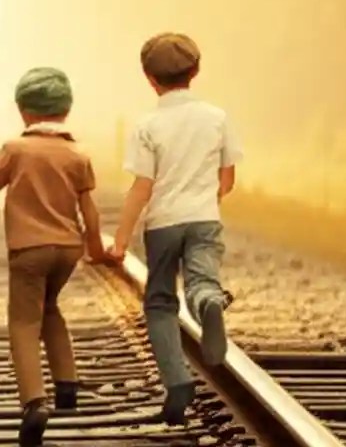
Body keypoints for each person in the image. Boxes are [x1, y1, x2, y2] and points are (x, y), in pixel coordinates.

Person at [0, 67, 109, 447]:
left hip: (29, 249)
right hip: (67, 249)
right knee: (51, 307)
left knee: (24, 321)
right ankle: (67, 383)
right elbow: (88, 208)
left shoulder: (16, 149)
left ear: (24, 111)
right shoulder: (77, 154)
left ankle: (34, 402)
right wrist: (94, 246)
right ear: (66, 111)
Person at [107, 32, 243, 426]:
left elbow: (141, 188)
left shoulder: (147, 125)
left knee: (161, 301)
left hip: (163, 223)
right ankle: (208, 304)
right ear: (195, 70)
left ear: (149, 78)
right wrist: (204, 203)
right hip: (204, 218)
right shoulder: (217, 118)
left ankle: (178, 380)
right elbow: (227, 180)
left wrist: (120, 239)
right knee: (202, 281)